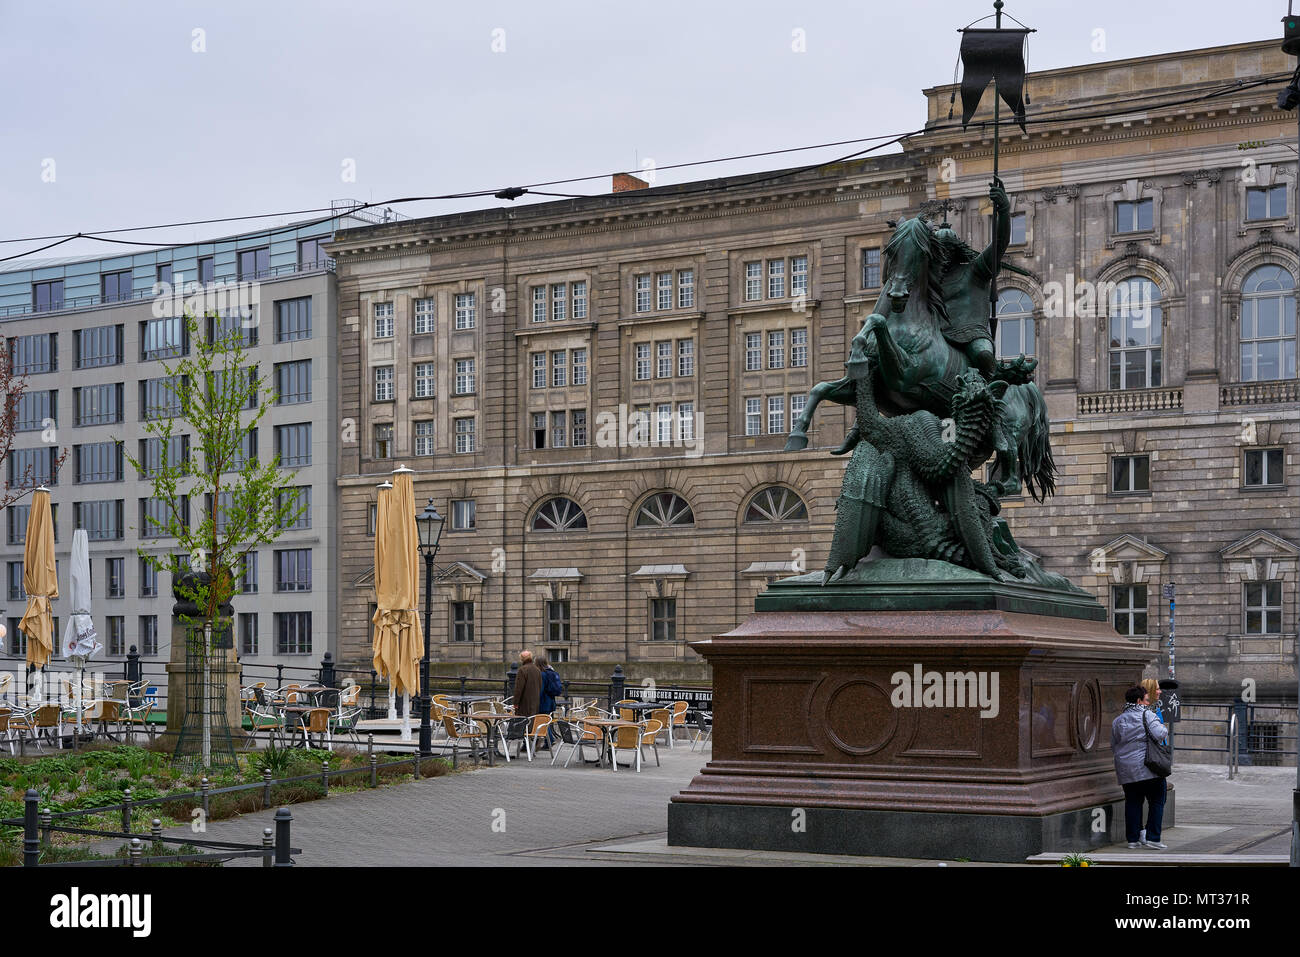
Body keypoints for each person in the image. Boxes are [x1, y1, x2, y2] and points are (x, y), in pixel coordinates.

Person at [1111, 685, 1170, 850]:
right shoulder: (1147, 715)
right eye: (1146, 700)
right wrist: (1161, 726)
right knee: (1157, 800)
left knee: (1132, 802)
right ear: (1139, 701)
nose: (1147, 702)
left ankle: (1132, 839)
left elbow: (1113, 745)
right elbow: (1160, 734)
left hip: (1126, 769)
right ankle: (1153, 837)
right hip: (1148, 767)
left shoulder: (1118, 720)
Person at [537, 654, 564, 750]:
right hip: (550, 700)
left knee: (543, 721)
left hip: (543, 701)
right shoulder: (552, 672)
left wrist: (536, 700)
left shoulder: (542, 674)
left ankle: (550, 740)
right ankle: (548, 741)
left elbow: (540, 689)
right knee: (546, 721)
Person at [514, 650, 541, 717]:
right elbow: (540, 685)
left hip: (524, 703)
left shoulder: (522, 669)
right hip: (535, 702)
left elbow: (519, 688)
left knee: (523, 723)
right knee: (532, 722)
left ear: (522, 659)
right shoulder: (537, 669)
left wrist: (516, 703)